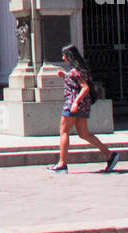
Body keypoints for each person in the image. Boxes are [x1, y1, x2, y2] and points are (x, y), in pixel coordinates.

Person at [47, 44, 119, 174]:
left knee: (64, 131)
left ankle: (62, 164)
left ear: (69, 57)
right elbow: (76, 84)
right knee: (84, 134)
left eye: (64, 56)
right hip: (83, 106)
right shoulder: (80, 70)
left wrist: (75, 102)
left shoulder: (76, 71)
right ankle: (109, 154)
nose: (63, 58)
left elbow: (84, 87)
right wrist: (64, 76)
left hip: (72, 105)